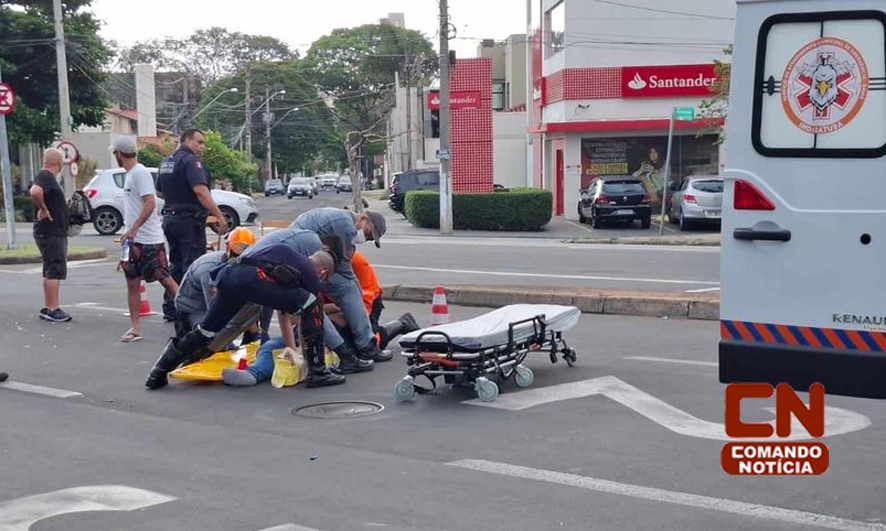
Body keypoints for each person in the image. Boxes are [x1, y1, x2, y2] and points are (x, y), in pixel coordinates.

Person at [145, 245, 345, 390]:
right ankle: (318, 374)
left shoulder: (288, 257)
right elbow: (305, 317)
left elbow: (284, 313)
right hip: (252, 279)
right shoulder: (309, 273)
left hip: (230, 276)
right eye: (324, 279)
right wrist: (308, 361)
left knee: (207, 330)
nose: (321, 282)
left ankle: (158, 372)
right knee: (314, 304)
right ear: (323, 272)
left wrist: (294, 351)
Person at [243, 227, 374, 376]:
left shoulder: (306, 255)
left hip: (247, 269)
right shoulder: (309, 268)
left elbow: (291, 314)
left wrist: (295, 350)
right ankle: (255, 371)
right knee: (276, 343)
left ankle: (254, 372)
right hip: (320, 332)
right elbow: (300, 313)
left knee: (272, 346)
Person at [292, 207, 390, 362]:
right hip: (305, 261)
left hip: (301, 259)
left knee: (341, 292)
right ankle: (366, 347)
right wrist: (356, 298)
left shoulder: (339, 219)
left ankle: (352, 348)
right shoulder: (345, 226)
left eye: (371, 239)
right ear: (363, 219)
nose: (368, 238)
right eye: (369, 233)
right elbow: (344, 268)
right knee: (348, 289)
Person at [156, 129, 228, 321]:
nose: (202, 147)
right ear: (187, 140)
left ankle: (171, 307)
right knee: (192, 266)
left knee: (176, 264)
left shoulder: (166, 162)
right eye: (200, 142)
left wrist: (177, 196)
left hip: (171, 219)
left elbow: (160, 192)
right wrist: (219, 216)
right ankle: (189, 310)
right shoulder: (191, 162)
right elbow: (201, 191)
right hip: (188, 221)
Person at [113, 136, 179, 343]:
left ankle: (192, 319)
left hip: (148, 239)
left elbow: (149, 203)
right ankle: (135, 328)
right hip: (133, 241)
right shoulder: (131, 175)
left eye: (115, 153)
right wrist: (128, 237)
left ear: (119, 154)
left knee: (165, 279)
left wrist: (134, 229)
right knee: (132, 281)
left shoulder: (139, 173)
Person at [325, 250, 419, 352]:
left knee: (368, 344)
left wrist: (353, 318)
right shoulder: (318, 260)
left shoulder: (357, 262)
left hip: (367, 302)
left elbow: (366, 298)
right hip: (336, 303)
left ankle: (401, 323)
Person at [173, 227, 256, 339]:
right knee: (211, 336)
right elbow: (214, 310)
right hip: (192, 310)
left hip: (206, 306)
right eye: (236, 255)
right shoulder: (209, 269)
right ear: (228, 248)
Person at [30, 148, 71, 323]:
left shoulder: (47, 177)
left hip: (49, 231)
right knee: (55, 268)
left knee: (49, 268)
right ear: (59, 163)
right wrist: (44, 208)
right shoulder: (46, 176)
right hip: (51, 231)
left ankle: (48, 307)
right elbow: (35, 191)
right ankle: (53, 308)